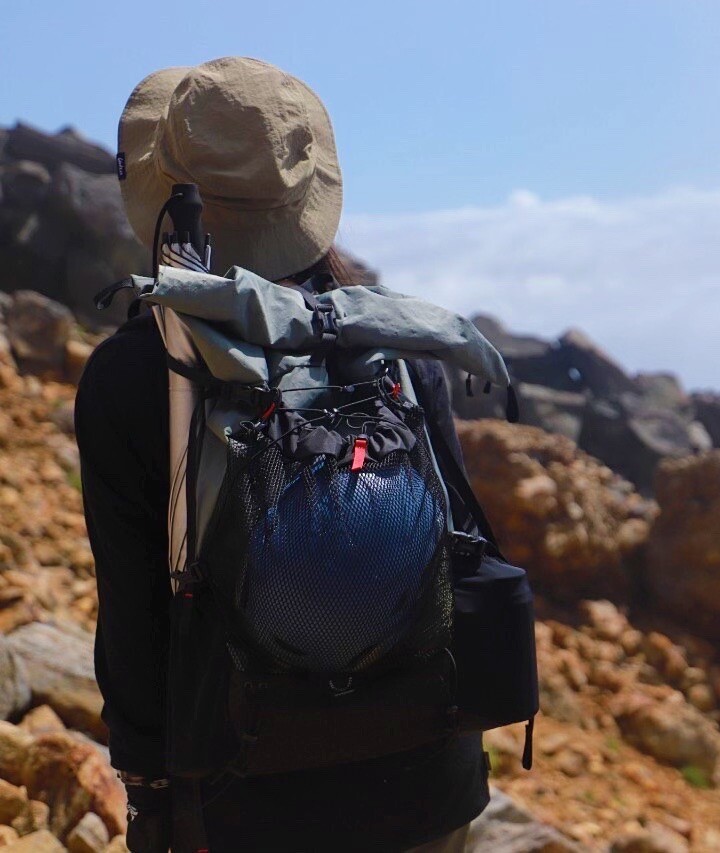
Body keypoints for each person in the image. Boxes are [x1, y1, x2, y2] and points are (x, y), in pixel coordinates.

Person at [75, 57, 488, 852]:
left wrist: (152, 797)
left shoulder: (137, 375)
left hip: (246, 803)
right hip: (429, 787)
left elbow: (135, 622)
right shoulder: (398, 347)